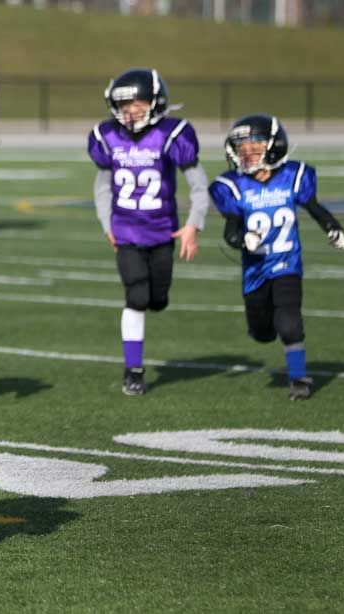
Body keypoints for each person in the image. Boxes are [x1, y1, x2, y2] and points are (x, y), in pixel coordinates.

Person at [87, 68, 210, 396]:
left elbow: (198, 185)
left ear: (156, 103)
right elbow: (101, 188)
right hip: (126, 231)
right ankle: (134, 370)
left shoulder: (172, 134)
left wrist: (193, 225)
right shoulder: (108, 136)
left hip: (163, 232)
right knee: (136, 297)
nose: (131, 111)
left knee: (157, 299)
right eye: (124, 105)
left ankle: (136, 362)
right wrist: (106, 225)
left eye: (138, 104)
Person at [209, 114, 344, 400]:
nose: (246, 153)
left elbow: (313, 206)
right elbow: (230, 231)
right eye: (242, 148)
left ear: (274, 147)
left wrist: (332, 227)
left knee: (288, 322)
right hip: (255, 271)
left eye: (254, 147)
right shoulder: (232, 185)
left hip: (287, 263)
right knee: (262, 332)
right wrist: (241, 240)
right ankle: (265, 329)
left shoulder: (292, 177)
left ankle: (299, 378)